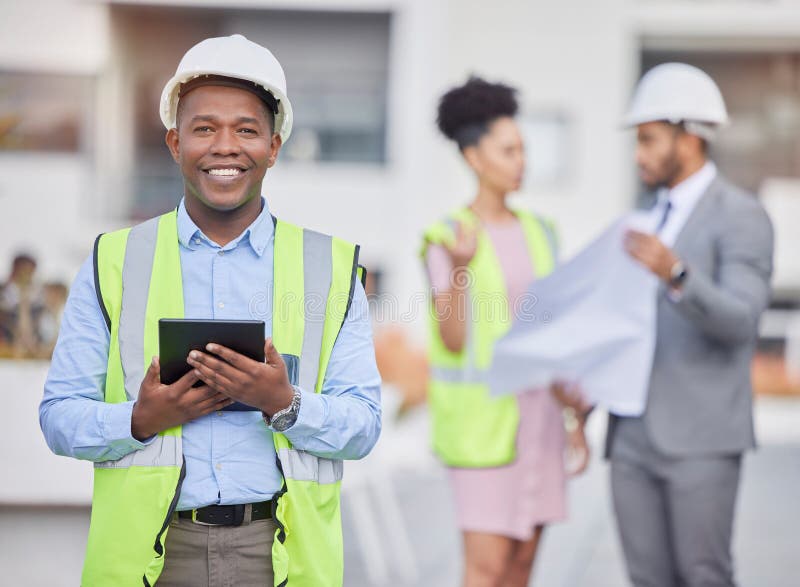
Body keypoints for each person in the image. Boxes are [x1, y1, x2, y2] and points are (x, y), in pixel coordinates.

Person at [39, 34, 381, 587]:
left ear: (273, 146)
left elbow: (363, 426)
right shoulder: (113, 261)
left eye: (247, 129)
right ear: (175, 143)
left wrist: (283, 402)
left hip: (279, 556)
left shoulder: (332, 267)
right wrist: (141, 419)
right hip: (151, 558)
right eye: (204, 129)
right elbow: (58, 417)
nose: (226, 146)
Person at [609, 62, 774, 587]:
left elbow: (742, 321)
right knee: (647, 579)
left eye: (649, 139)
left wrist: (675, 272)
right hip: (632, 438)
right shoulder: (647, 216)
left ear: (689, 138)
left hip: (701, 442)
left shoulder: (740, 214)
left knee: (703, 576)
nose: (638, 154)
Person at [421, 77, 590, 587]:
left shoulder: (542, 231)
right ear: (474, 157)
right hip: (483, 431)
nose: (521, 161)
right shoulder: (447, 236)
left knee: (520, 569)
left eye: (524, 150)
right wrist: (459, 269)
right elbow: (452, 340)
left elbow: (551, 331)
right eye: (508, 150)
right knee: (486, 571)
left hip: (539, 423)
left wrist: (573, 415)